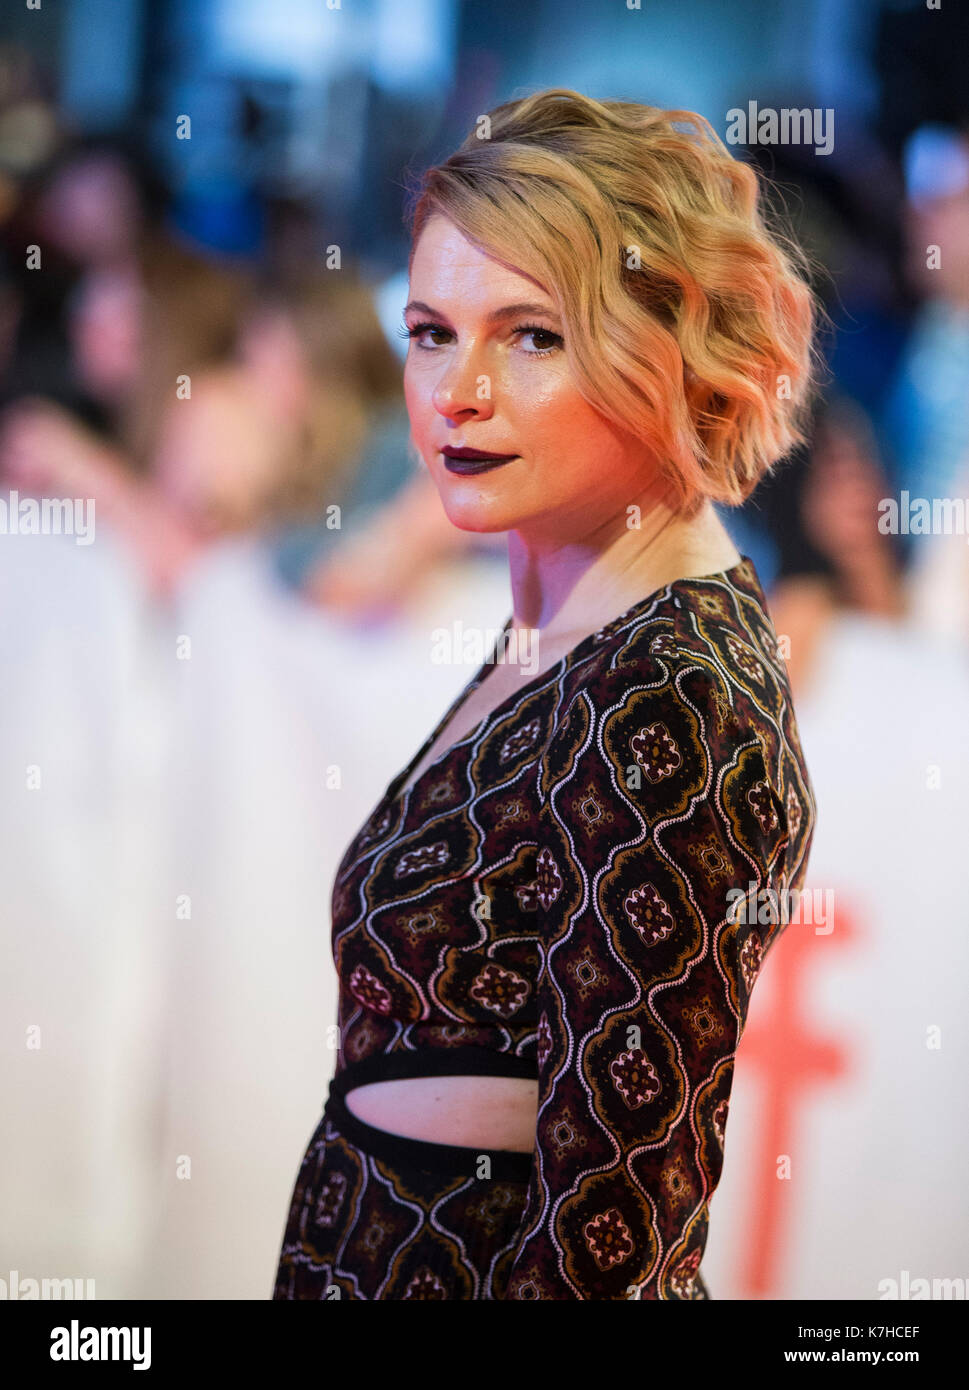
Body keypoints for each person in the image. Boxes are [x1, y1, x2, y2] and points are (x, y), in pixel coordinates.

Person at [273, 87, 818, 1301]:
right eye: (429, 332)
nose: (457, 390)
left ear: (662, 348)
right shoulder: (560, 619)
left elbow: (614, 1234)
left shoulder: (673, 699)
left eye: (531, 335)